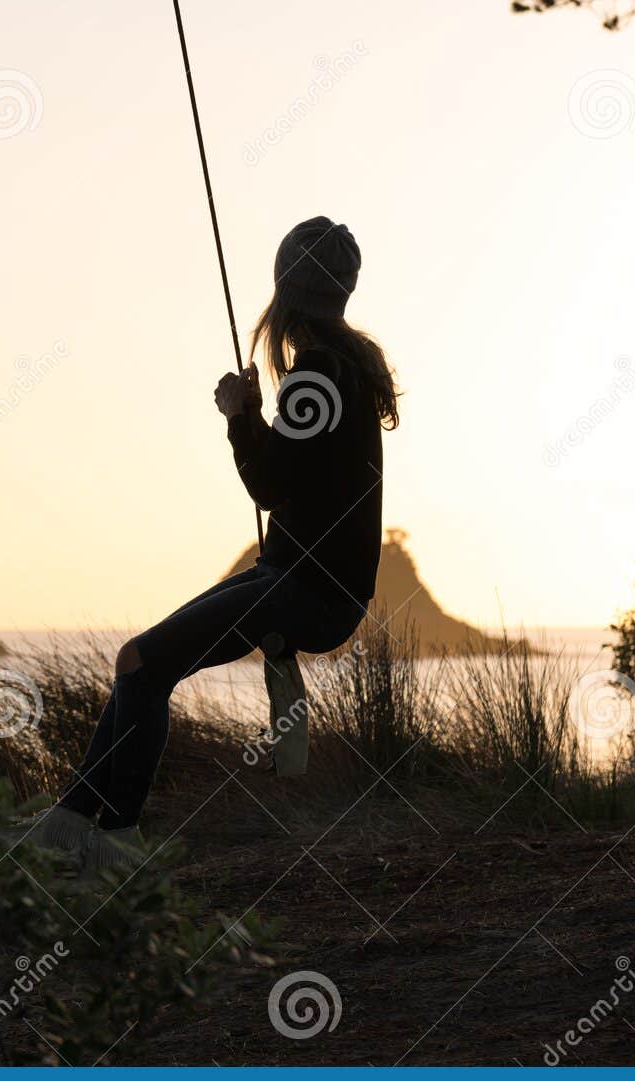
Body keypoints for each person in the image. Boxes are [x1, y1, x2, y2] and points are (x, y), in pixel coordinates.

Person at [27, 216, 400, 871]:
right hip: (305, 584)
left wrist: (238, 414)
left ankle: (116, 842)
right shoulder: (344, 369)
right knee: (137, 662)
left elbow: (267, 485)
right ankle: (71, 822)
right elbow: (295, 481)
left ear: (287, 293)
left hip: (304, 591)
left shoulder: (316, 374)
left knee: (143, 664)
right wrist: (258, 420)